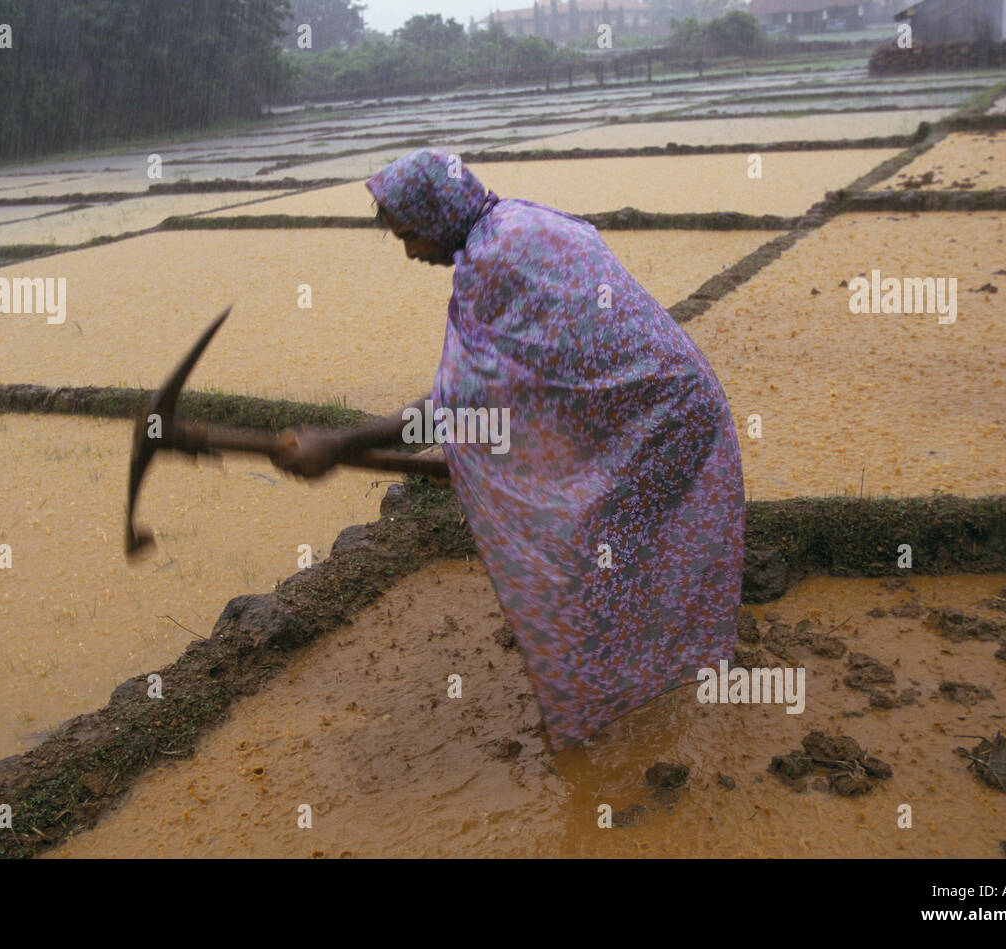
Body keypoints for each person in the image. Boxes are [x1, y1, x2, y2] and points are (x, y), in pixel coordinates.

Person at [272, 147, 745, 752]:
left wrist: (339, 444)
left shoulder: (493, 261)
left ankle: (595, 710)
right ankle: (623, 685)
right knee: (606, 551)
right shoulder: (518, 221)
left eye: (411, 235)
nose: (412, 252)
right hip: (664, 405)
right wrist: (479, 458)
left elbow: (458, 405)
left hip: (657, 424)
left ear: (440, 211)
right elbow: (538, 381)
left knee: (578, 549)